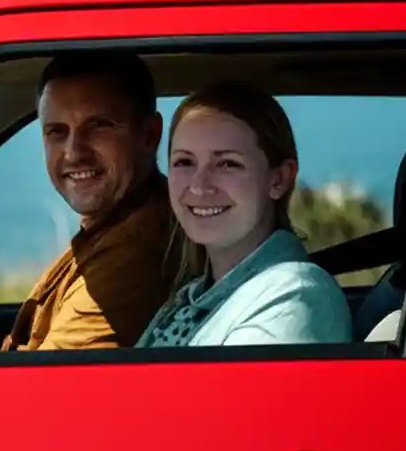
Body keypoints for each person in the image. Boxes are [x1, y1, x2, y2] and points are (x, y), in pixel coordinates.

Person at [0, 51, 180, 352]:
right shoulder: (111, 227)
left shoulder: (136, 250)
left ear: (149, 134)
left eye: (98, 126)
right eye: (57, 131)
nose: (73, 152)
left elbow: (41, 390)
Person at [135, 82, 351, 347]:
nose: (199, 186)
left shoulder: (294, 295)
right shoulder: (188, 301)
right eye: (185, 162)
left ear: (279, 179)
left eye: (227, 164)